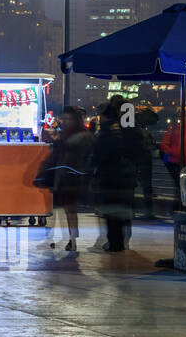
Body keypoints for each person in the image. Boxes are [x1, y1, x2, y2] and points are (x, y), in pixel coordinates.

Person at [87, 98, 142, 252]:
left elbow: (101, 154)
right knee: (122, 210)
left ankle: (118, 242)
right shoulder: (128, 125)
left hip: (114, 175)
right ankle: (121, 241)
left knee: (115, 211)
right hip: (126, 175)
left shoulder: (116, 128)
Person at [44, 106, 92, 251]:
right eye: (63, 118)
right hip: (64, 175)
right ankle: (63, 238)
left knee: (68, 209)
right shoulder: (70, 134)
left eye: (67, 118)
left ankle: (70, 239)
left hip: (71, 176)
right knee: (62, 209)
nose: (64, 121)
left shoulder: (79, 136)